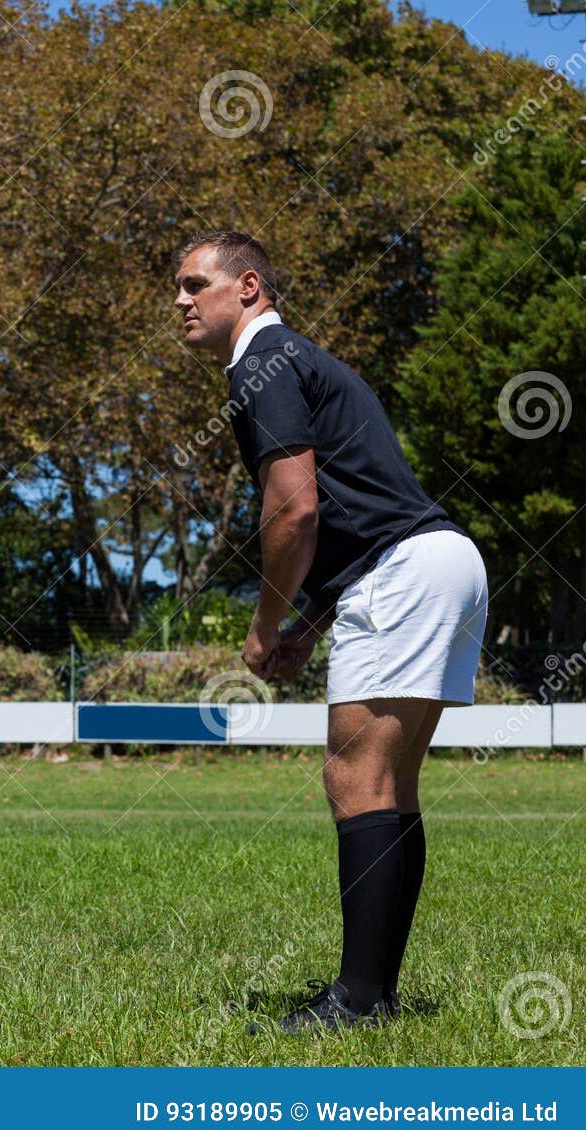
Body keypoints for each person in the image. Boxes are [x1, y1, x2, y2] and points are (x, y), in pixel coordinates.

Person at [171, 230, 490, 1033]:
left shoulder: (262, 362)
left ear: (247, 288)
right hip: (444, 560)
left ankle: (356, 1000)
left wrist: (264, 624)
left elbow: (295, 508)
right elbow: (355, 512)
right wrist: (312, 626)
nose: (178, 301)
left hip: (403, 574)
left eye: (192, 284)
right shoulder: (302, 362)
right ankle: (374, 993)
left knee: (356, 782)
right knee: (390, 785)